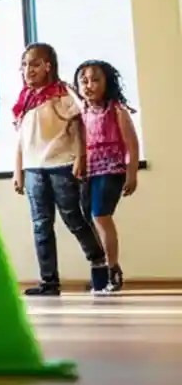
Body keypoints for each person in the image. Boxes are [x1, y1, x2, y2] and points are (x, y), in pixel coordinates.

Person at [11, 44, 108, 295]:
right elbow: (21, 140)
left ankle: (99, 261)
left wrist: (81, 157)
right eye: (24, 64)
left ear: (48, 67)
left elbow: (78, 125)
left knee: (73, 218)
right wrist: (18, 171)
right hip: (34, 169)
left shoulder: (62, 93)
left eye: (34, 64)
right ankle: (49, 283)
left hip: (61, 165)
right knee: (41, 225)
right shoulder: (25, 100)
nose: (28, 69)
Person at [74, 59, 139, 293]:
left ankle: (113, 270)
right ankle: (100, 272)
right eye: (84, 81)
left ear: (106, 82)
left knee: (101, 215)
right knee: (87, 218)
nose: (89, 85)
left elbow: (131, 144)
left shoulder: (117, 110)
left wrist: (131, 173)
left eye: (95, 80)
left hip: (111, 169)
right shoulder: (79, 112)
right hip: (88, 171)